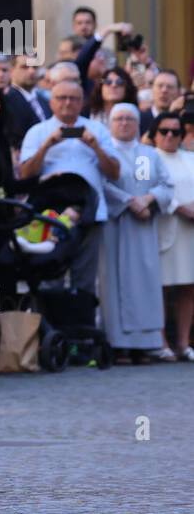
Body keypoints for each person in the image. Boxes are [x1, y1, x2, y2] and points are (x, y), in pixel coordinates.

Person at [18, 79, 121, 294]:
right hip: (49, 214)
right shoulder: (38, 131)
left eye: (73, 98)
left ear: (82, 101)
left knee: (85, 280)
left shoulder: (97, 130)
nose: (67, 103)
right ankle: (49, 326)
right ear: (51, 102)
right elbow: (26, 174)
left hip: (89, 211)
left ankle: (82, 326)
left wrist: (95, 147)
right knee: (48, 276)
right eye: (61, 98)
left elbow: (114, 172)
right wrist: (47, 145)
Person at [100, 104, 172, 360]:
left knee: (144, 283)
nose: (124, 123)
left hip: (143, 227)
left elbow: (166, 184)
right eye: (118, 119)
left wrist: (149, 199)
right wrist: (130, 201)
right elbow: (102, 184)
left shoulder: (148, 154)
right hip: (115, 226)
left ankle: (145, 345)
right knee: (114, 283)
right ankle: (117, 343)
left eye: (129, 119)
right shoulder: (105, 153)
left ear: (138, 123)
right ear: (110, 123)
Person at [153, 111, 194, 360]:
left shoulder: (190, 158)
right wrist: (177, 206)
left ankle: (183, 342)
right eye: (164, 131)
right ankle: (160, 340)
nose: (170, 136)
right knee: (160, 287)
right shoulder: (145, 158)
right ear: (154, 133)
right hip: (161, 227)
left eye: (175, 131)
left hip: (189, 231)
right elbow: (141, 189)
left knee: (188, 286)